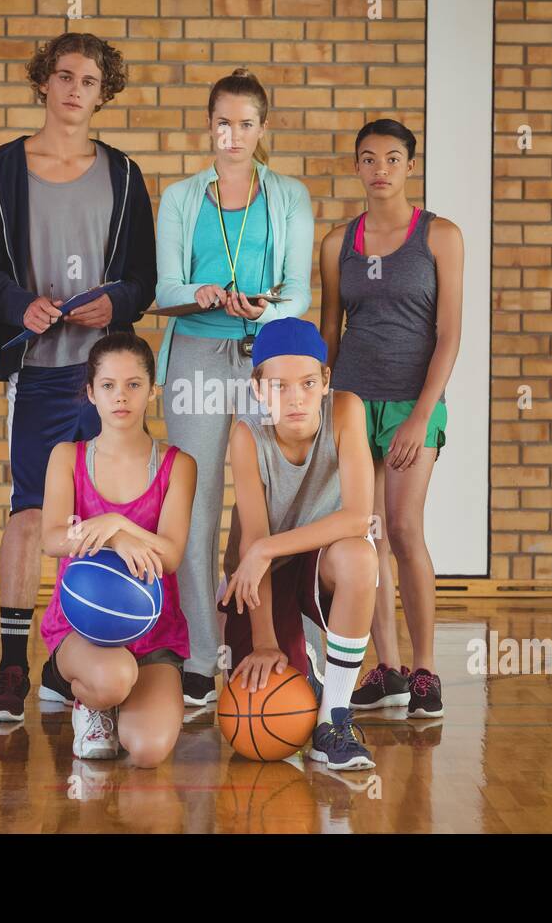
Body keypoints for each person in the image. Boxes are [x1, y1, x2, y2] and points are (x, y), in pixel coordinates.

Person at [0, 33, 157, 722]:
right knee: (29, 513)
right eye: (66, 76)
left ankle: (78, 655)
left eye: (90, 81)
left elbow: (143, 277)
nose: (76, 90)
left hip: (104, 374)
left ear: (104, 94)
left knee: (108, 511)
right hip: (39, 372)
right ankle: (12, 665)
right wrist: (20, 304)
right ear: (43, 81)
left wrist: (119, 304)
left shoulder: (125, 174)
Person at [154, 68, 316, 706]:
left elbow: (298, 291)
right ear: (209, 126)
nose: (234, 134)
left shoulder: (289, 196)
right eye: (223, 122)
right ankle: (200, 654)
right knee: (196, 504)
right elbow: (164, 287)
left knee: (262, 502)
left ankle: (260, 637)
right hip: (195, 354)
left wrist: (266, 310)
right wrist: (197, 292)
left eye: (246, 123)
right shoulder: (180, 197)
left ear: (261, 128)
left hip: (262, 356)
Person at [319, 119, 463, 718]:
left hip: (411, 402)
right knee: (368, 532)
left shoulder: (440, 236)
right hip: (353, 400)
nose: (381, 169)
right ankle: (389, 670)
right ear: (357, 166)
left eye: (393, 158)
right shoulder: (337, 243)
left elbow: (449, 335)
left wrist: (420, 416)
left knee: (403, 529)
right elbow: (331, 331)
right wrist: (321, 400)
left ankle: (425, 670)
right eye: (369, 158)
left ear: (409, 166)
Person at [219, 318, 379, 770]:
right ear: (257, 388)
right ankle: (303, 668)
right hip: (262, 580)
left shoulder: (346, 409)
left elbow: (357, 517)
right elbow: (252, 544)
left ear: (326, 380)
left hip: (319, 562)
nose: (296, 398)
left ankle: (334, 721)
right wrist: (265, 642)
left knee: (361, 557)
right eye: (279, 386)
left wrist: (266, 548)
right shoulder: (247, 435)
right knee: (269, 711)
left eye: (308, 383)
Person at [38, 333, 197, 764]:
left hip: (153, 629)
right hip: (82, 629)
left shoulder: (177, 465)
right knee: (113, 679)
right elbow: (52, 538)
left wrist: (119, 522)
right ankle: (92, 702)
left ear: (152, 390)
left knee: (147, 751)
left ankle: (122, 699)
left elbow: (170, 555)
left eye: (133, 384)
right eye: (108, 385)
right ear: (91, 393)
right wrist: (114, 538)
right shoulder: (67, 457)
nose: (120, 396)